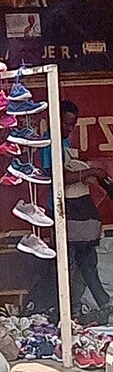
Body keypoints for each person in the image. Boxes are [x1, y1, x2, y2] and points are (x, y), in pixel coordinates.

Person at [42, 100, 111, 322]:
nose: (70, 129)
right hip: (62, 212)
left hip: (75, 216)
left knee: (87, 263)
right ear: (56, 118)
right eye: (67, 123)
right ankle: (68, 311)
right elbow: (57, 177)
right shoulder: (49, 144)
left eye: (73, 124)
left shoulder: (63, 142)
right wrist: (89, 172)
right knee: (70, 265)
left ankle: (103, 304)